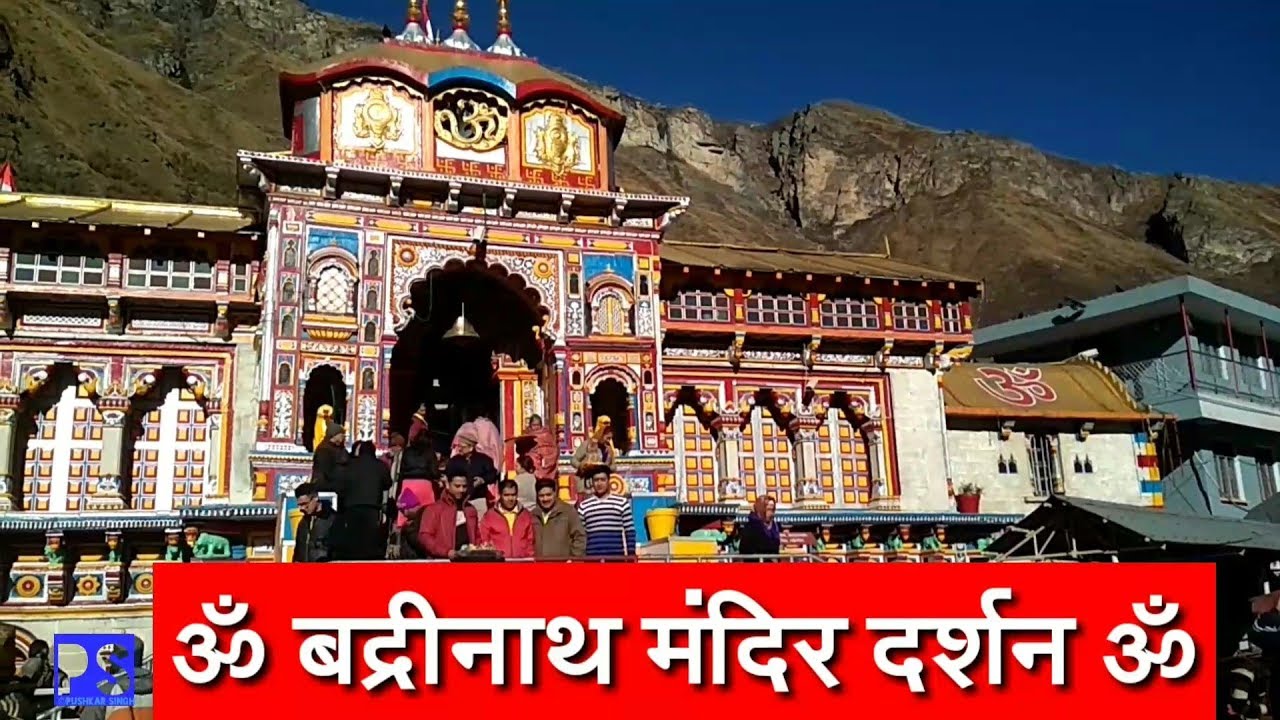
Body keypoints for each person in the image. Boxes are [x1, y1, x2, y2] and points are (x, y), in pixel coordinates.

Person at [418, 457, 480, 559]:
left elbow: (477, 536)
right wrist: (446, 552)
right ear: (448, 484)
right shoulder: (434, 509)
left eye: (464, 486)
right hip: (443, 561)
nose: (461, 490)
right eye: (457, 486)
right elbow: (425, 537)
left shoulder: (471, 510)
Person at [341, 441, 392, 560]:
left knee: (354, 537)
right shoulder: (379, 465)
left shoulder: (351, 465)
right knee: (370, 537)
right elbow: (387, 483)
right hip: (372, 506)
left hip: (352, 506)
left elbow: (342, 483)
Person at [576, 463, 635, 558]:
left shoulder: (621, 503)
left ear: (608, 481)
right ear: (592, 482)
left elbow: (630, 531)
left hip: (616, 558)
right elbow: (581, 535)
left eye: (603, 480)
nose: (599, 483)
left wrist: (631, 555)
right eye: (596, 480)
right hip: (592, 558)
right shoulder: (584, 506)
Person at [479, 479, 535, 559]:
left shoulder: (526, 515)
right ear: (500, 495)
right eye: (506, 495)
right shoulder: (489, 516)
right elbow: (484, 541)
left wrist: (530, 558)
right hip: (498, 562)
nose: (510, 498)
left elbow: (531, 541)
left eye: (513, 495)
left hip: (521, 562)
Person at [532, 479, 586, 559]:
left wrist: (574, 559)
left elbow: (579, 537)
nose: (545, 499)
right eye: (541, 496)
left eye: (548, 495)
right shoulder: (533, 515)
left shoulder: (568, 511)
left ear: (555, 493)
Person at [453, 424, 499, 508]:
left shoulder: (484, 459)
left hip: (478, 499)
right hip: (459, 500)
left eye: (462, 447)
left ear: (471, 448)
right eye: (458, 446)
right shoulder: (455, 461)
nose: (459, 449)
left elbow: (493, 474)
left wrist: (483, 480)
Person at [292, 482, 335, 562]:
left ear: (315, 498)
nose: (301, 508)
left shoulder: (333, 520)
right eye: (299, 505)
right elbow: (298, 552)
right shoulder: (303, 523)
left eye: (305, 504)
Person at [737, 495, 780, 559]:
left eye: (772, 510)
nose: (771, 513)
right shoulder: (751, 527)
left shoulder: (774, 526)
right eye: (768, 509)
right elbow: (745, 550)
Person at [311, 421, 348, 492]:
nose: (343, 436)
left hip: (339, 486)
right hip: (326, 486)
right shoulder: (324, 449)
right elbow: (325, 469)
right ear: (335, 434)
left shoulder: (341, 448)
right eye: (342, 434)